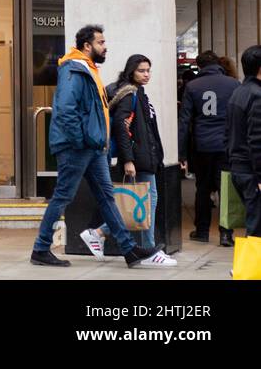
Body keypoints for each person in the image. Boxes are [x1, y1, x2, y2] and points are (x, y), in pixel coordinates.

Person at [30, 25, 155, 268]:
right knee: (63, 196)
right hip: (78, 147)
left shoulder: (87, 69)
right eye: (101, 42)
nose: (105, 46)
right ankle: (41, 248)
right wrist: (80, 142)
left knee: (107, 197)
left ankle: (129, 250)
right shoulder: (74, 71)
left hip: (94, 148)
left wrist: (96, 143)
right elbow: (66, 111)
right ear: (87, 46)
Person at [78, 54, 177, 267]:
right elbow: (122, 128)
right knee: (146, 203)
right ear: (131, 70)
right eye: (142, 70)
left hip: (145, 156)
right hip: (138, 157)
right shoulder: (128, 94)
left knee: (143, 203)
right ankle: (148, 251)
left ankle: (98, 232)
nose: (146, 74)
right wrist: (128, 160)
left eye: (148, 70)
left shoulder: (137, 92)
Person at [179, 51, 239, 246]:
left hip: (202, 145)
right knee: (225, 188)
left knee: (203, 188)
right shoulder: (232, 84)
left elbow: (184, 120)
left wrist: (181, 152)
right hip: (226, 144)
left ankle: (202, 231)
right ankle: (225, 234)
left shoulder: (192, 86)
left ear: (200, 66)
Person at [226, 45, 261, 241]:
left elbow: (228, 133)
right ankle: (249, 269)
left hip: (239, 168)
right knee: (256, 227)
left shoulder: (239, 92)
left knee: (254, 222)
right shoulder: (257, 96)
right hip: (251, 171)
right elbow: (257, 140)